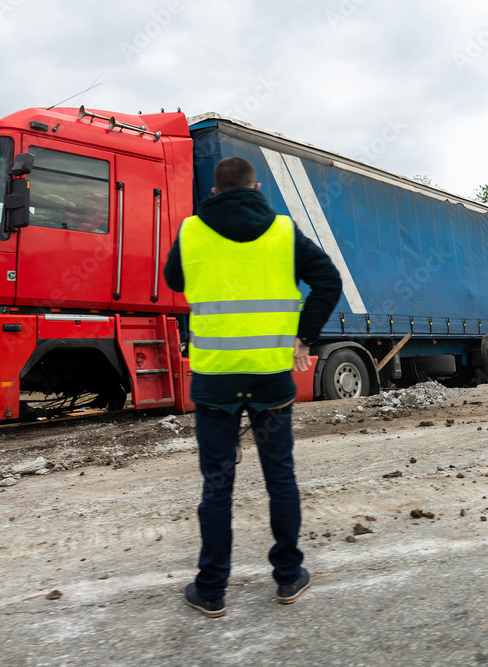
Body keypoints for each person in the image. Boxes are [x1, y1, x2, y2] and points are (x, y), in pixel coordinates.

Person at [163, 156, 342, 618]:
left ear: (217, 192)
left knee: (217, 487)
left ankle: (211, 590)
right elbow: (328, 279)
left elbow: (174, 280)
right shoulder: (284, 232)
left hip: (215, 383)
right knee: (280, 479)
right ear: (256, 186)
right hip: (270, 380)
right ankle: (287, 579)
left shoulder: (191, 232)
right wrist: (305, 334)